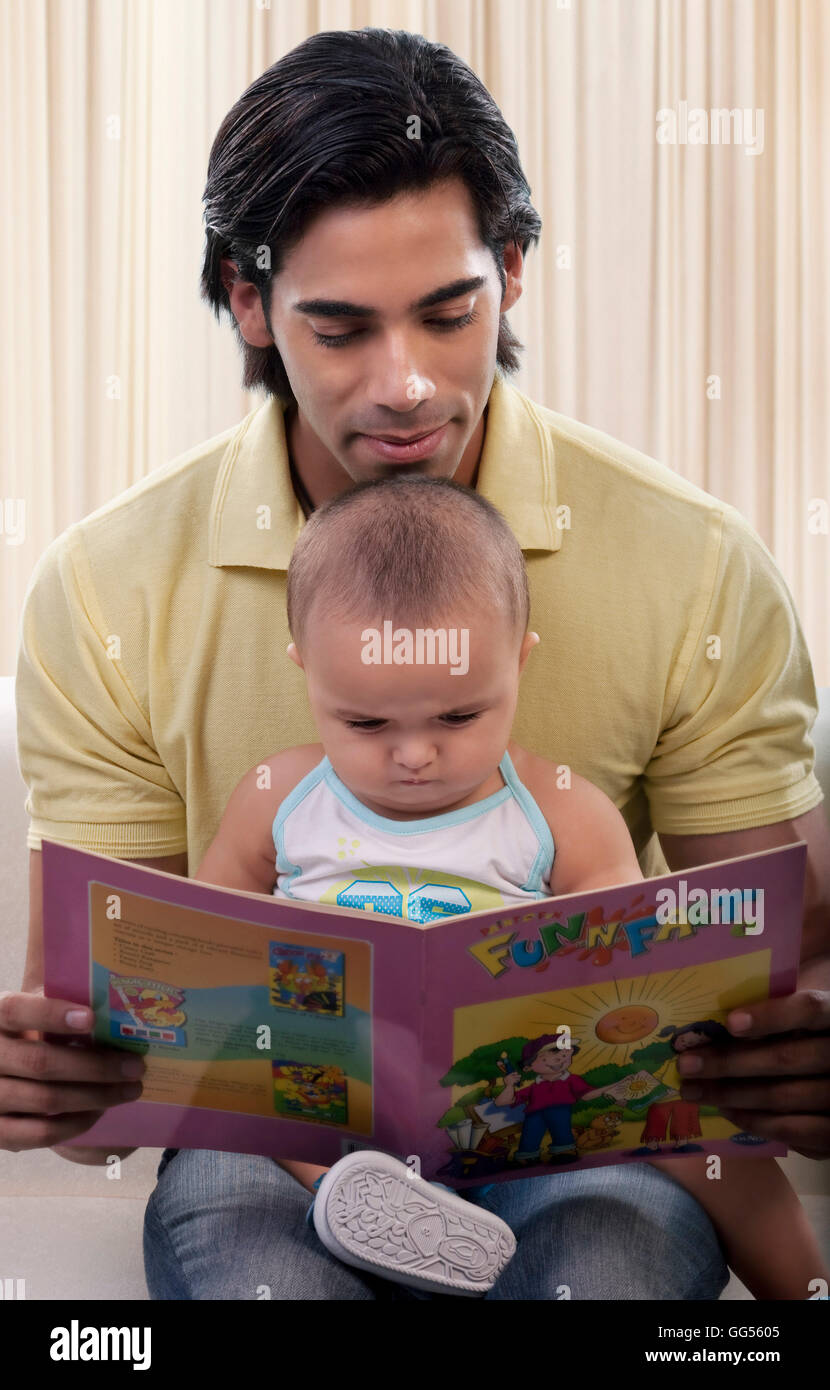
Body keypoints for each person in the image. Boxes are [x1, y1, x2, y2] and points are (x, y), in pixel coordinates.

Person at [6, 27, 828, 1301]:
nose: (405, 385)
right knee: (253, 1282)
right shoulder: (105, 588)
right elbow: (105, 1036)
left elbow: (789, 942)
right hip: (273, 1148)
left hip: (571, 1138)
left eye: (449, 314)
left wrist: (787, 1051)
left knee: (600, 1271)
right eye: (338, 328)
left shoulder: (694, 563)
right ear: (245, 298)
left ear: (509, 271)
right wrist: (55, 1080)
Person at [192, 473, 830, 1301]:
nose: (414, 754)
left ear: (519, 659)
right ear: (304, 669)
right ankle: (347, 1199)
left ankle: (806, 1290)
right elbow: (202, 952)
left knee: (689, 1134)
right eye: (366, 723)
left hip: (517, 1114)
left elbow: (628, 967)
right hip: (329, 1097)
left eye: (459, 718)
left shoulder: (561, 812)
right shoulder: (277, 799)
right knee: (245, 1093)